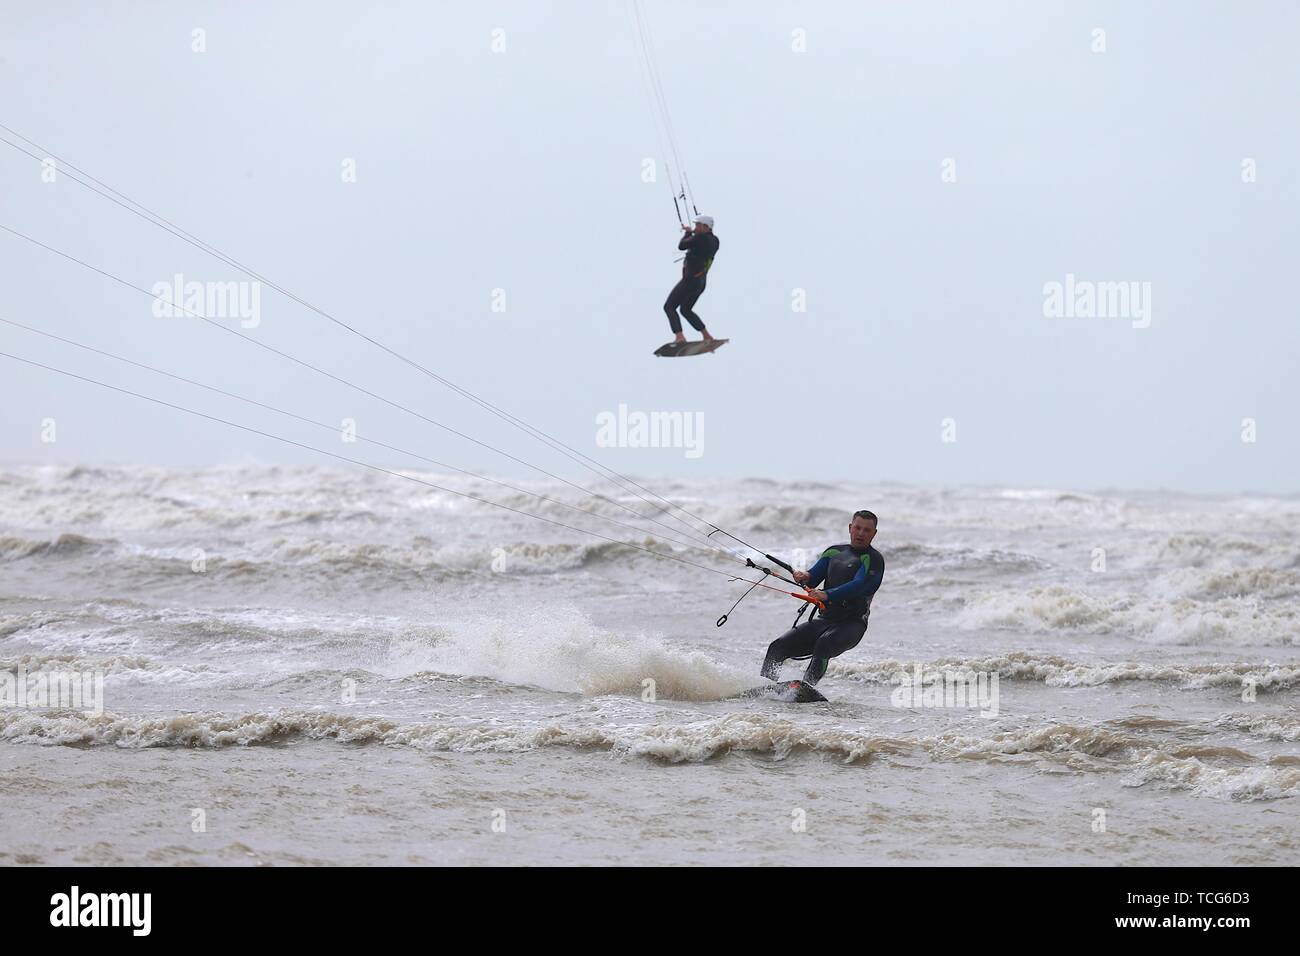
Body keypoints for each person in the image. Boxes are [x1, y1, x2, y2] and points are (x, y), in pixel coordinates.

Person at [761, 510, 884, 686]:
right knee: (777, 647)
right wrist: (804, 576)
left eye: (867, 530)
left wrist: (827, 594)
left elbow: (860, 585)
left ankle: (806, 688)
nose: (861, 533)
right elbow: (814, 576)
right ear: (850, 528)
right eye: (857, 528)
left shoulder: (874, 560)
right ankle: (765, 687)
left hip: (852, 625)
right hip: (825, 620)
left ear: (874, 534)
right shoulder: (833, 552)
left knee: (824, 644)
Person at [663, 215, 719, 343]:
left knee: (669, 306)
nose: (695, 228)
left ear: (705, 227)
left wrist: (687, 233)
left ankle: (679, 337)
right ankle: (706, 335)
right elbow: (698, 247)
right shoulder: (715, 241)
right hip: (701, 283)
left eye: (697, 225)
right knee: (685, 310)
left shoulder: (700, 238)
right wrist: (692, 233)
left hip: (690, 281)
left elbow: (682, 245)